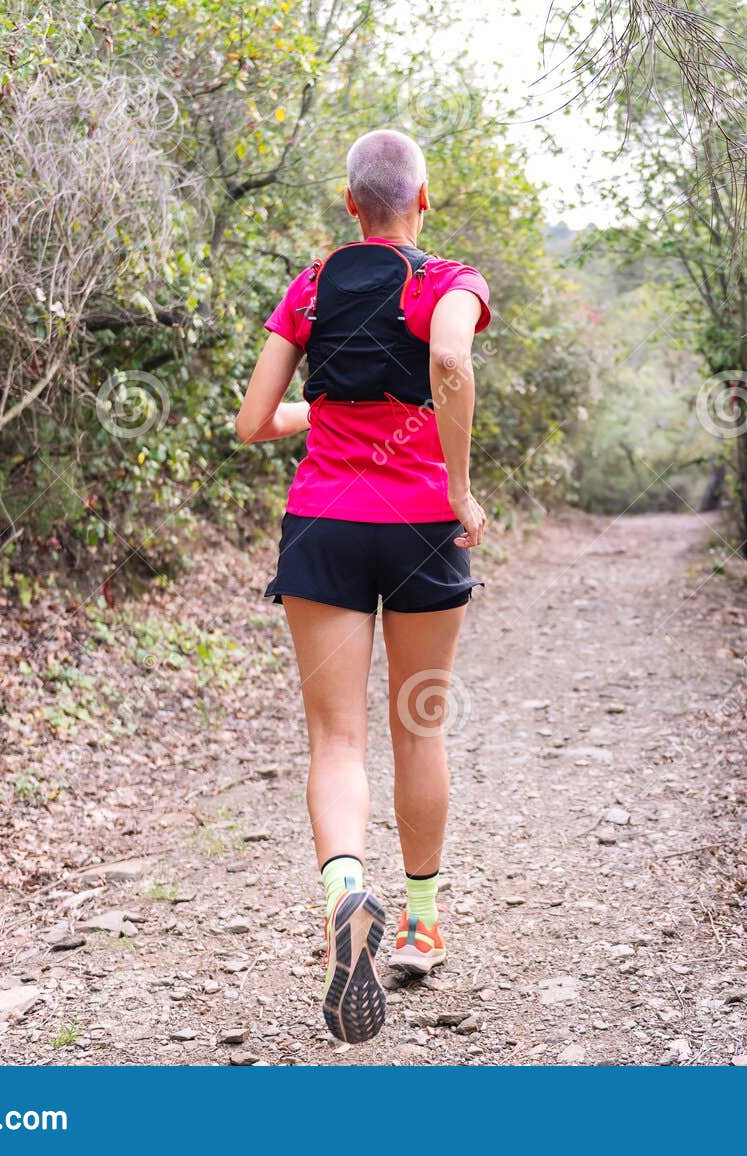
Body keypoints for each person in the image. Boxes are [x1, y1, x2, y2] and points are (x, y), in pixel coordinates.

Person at [233, 129, 490, 1044]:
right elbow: (450, 363)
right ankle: (419, 922)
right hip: (421, 532)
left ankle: (347, 889)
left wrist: (333, 412)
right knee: (417, 724)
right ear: (425, 200)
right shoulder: (444, 280)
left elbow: (254, 421)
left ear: (351, 206)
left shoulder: (309, 287)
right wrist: (458, 487)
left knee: (334, 740)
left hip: (326, 528)